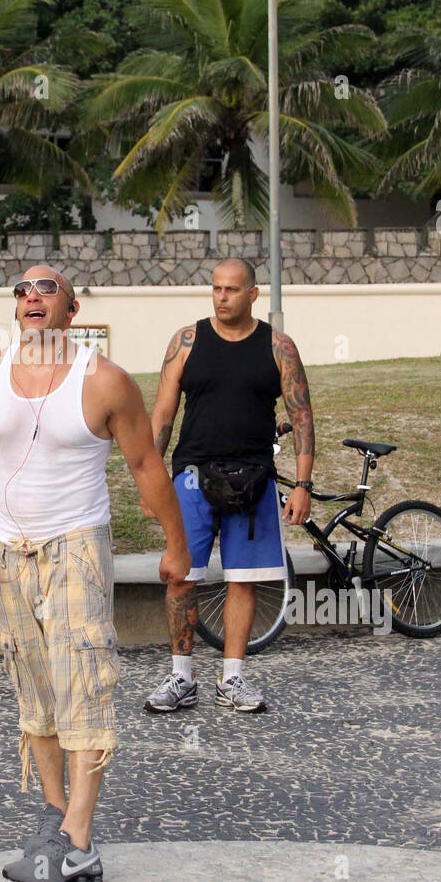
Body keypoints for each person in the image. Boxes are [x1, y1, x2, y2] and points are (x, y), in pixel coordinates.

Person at [0, 265, 191, 882]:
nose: (31, 297)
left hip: (77, 544)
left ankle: (79, 842)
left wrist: (177, 547)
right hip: (10, 547)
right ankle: (55, 813)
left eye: (45, 289)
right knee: (34, 687)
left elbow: (144, 465)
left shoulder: (104, 383)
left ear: (71, 311)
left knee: (82, 679)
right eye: (22, 290)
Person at [143, 258, 314, 714]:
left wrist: (303, 484)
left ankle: (232, 678)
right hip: (192, 478)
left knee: (244, 579)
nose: (222, 297)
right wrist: (151, 479)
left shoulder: (278, 346)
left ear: (253, 294)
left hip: (253, 478)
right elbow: (162, 414)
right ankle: (181, 676)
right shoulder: (186, 341)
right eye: (216, 288)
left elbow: (301, 415)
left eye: (232, 290)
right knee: (180, 576)